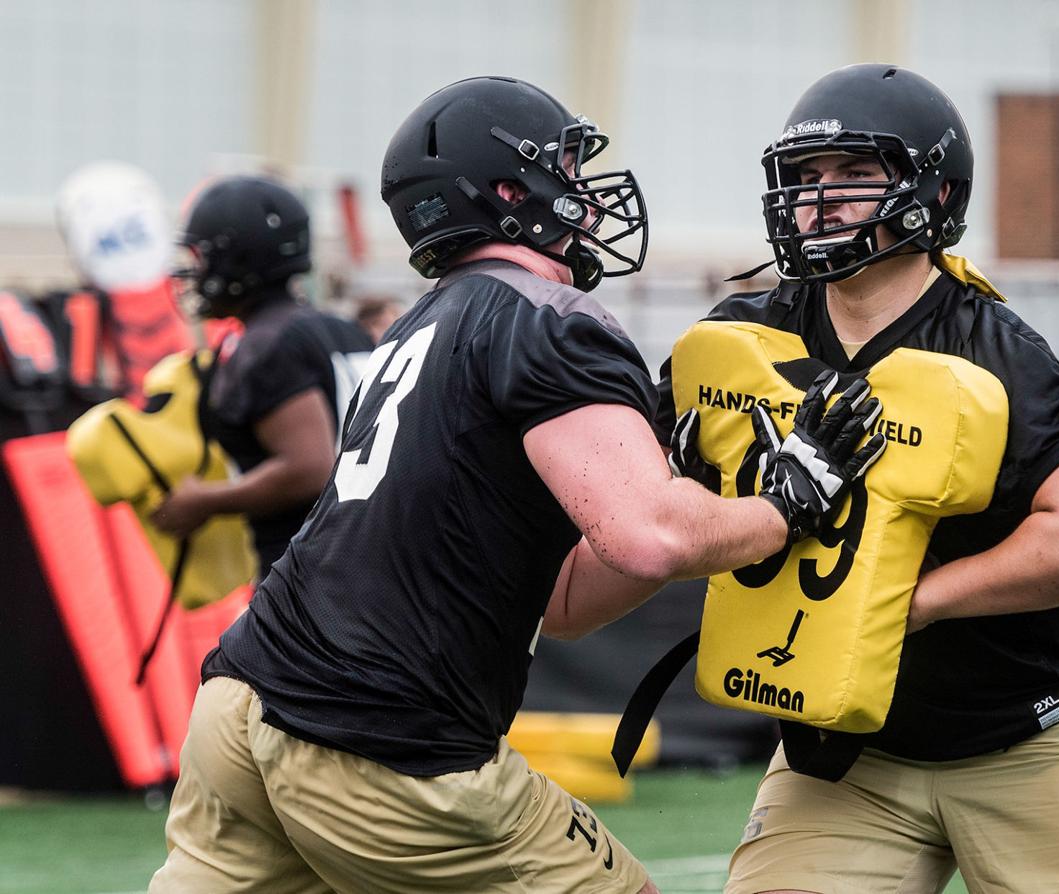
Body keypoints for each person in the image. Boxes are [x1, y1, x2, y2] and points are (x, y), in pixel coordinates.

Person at [148, 76, 885, 894]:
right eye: (567, 170)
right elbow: (650, 536)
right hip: (384, 739)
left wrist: (682, 483)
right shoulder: (548, 318)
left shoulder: (423, 322)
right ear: (510, 189)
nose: (587, 199)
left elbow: (563, 601)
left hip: (244, 705)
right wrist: (784, 504)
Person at [656, 64, 1059, 893]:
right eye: (806, 178)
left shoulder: (996, 347)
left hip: (1035, 732)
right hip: (847, 751)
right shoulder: (740, 339)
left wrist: (902, 603)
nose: (820, 200)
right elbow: (655, 502)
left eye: (855, 176)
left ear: (931, 198)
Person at [150, 176, 374, 576]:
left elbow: (309, 468)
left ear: (237, 257)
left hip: (312, 579)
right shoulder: (343, 328)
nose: (193, 272)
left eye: (200, 257)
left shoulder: (267, 345)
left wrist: (205, 500)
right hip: (367, 558)